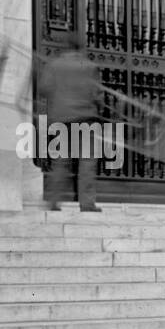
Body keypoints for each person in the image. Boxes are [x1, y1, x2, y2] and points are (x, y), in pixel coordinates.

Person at [37, 33, 103, 212]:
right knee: (87, 162)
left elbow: (44, 89)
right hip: (86, 118)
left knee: (60, 161)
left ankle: (54, 200)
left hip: (61, 118)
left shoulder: (54, 65)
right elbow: (98, 95)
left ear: (65, 47)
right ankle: (87, 203)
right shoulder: (90, 67)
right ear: (81, 47)